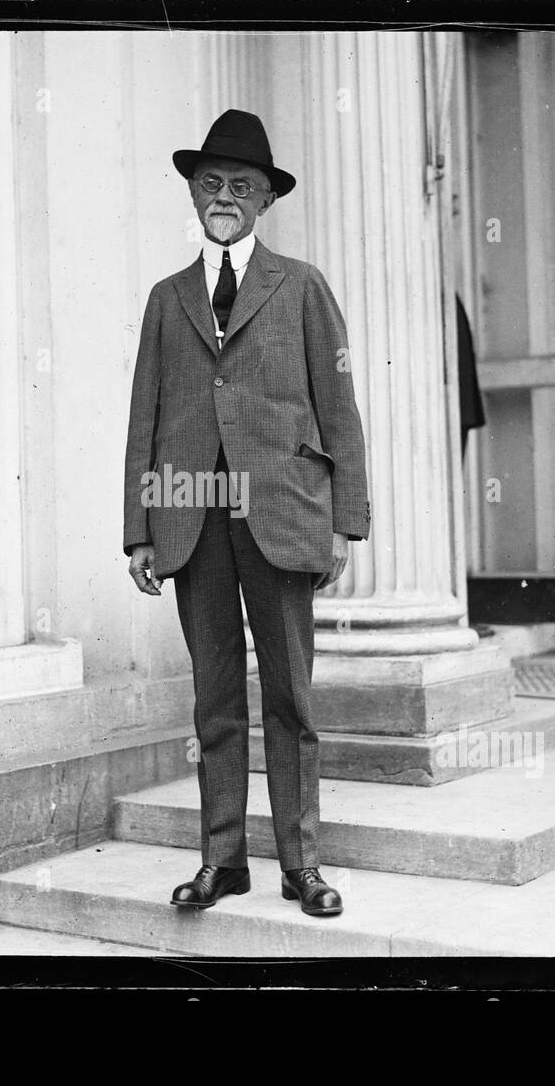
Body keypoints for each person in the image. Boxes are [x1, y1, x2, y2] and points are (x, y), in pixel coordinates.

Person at [122, 110, 370, 917]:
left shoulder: (300, 286)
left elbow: (339, 408)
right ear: (194, 195)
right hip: (192, 519)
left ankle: (303, 864)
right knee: (214, 698)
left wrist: (346, 521)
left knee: (292, 697)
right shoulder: (167, 299)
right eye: (211, 185)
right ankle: (222, 860)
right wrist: (139, 531)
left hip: (284, 515)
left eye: (241, 187)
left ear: (265, 200)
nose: (223, 198)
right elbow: (144, 419)